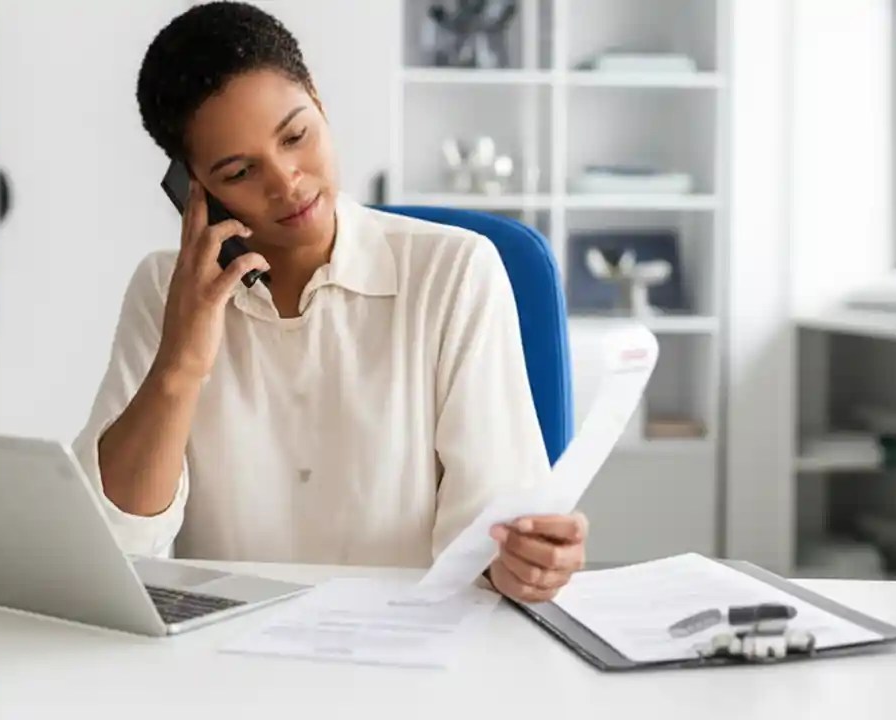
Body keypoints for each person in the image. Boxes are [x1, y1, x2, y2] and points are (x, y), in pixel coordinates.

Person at [73, 1, 587, 605]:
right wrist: (181, 361)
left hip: (406, 655)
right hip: (228, 663)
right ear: (194, 188)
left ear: (317, 98)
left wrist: (522, 563)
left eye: (296, 135)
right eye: (239, 171)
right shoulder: (166, 292)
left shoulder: (455, 272)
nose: (287, 181)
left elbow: (485, 545)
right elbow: (114, 543)